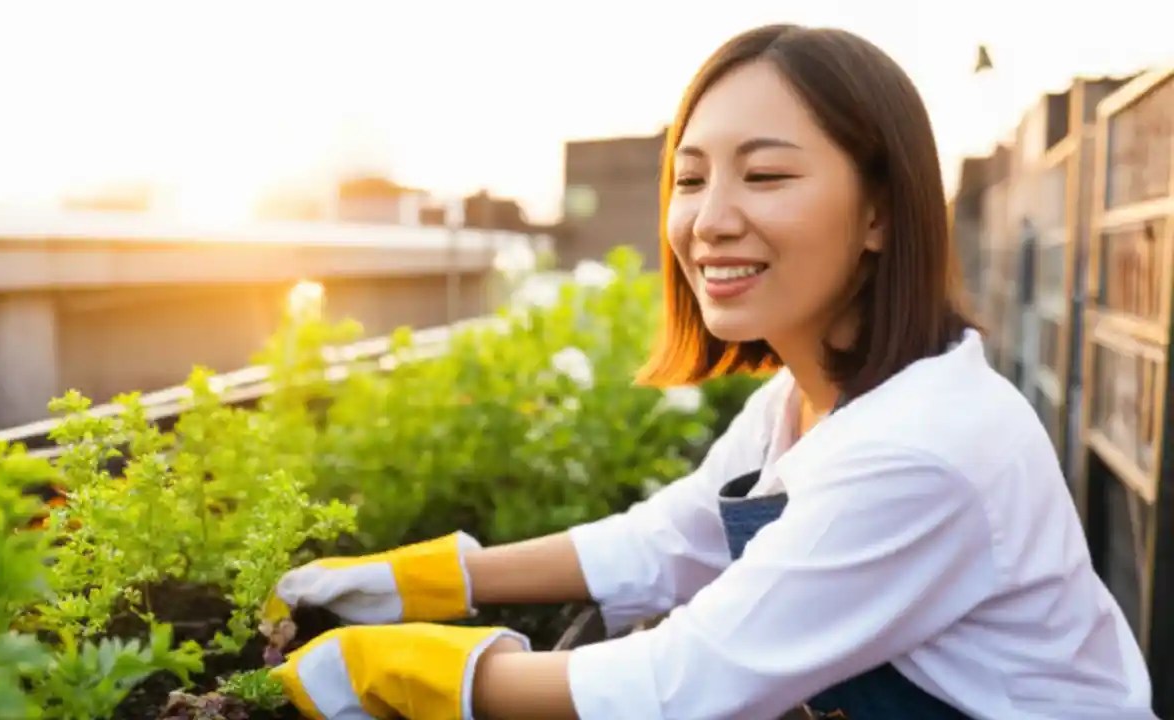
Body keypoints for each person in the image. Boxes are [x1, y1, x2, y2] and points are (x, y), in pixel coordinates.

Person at [263, 24, 1155, 720]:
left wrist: (424, 674)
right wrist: (420, 581)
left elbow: (684, 686)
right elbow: (665, 543)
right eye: (690, 181)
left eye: (765, 174)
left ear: (880, 213)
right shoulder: (808, 401)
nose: (711, 220)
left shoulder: (925, 450)